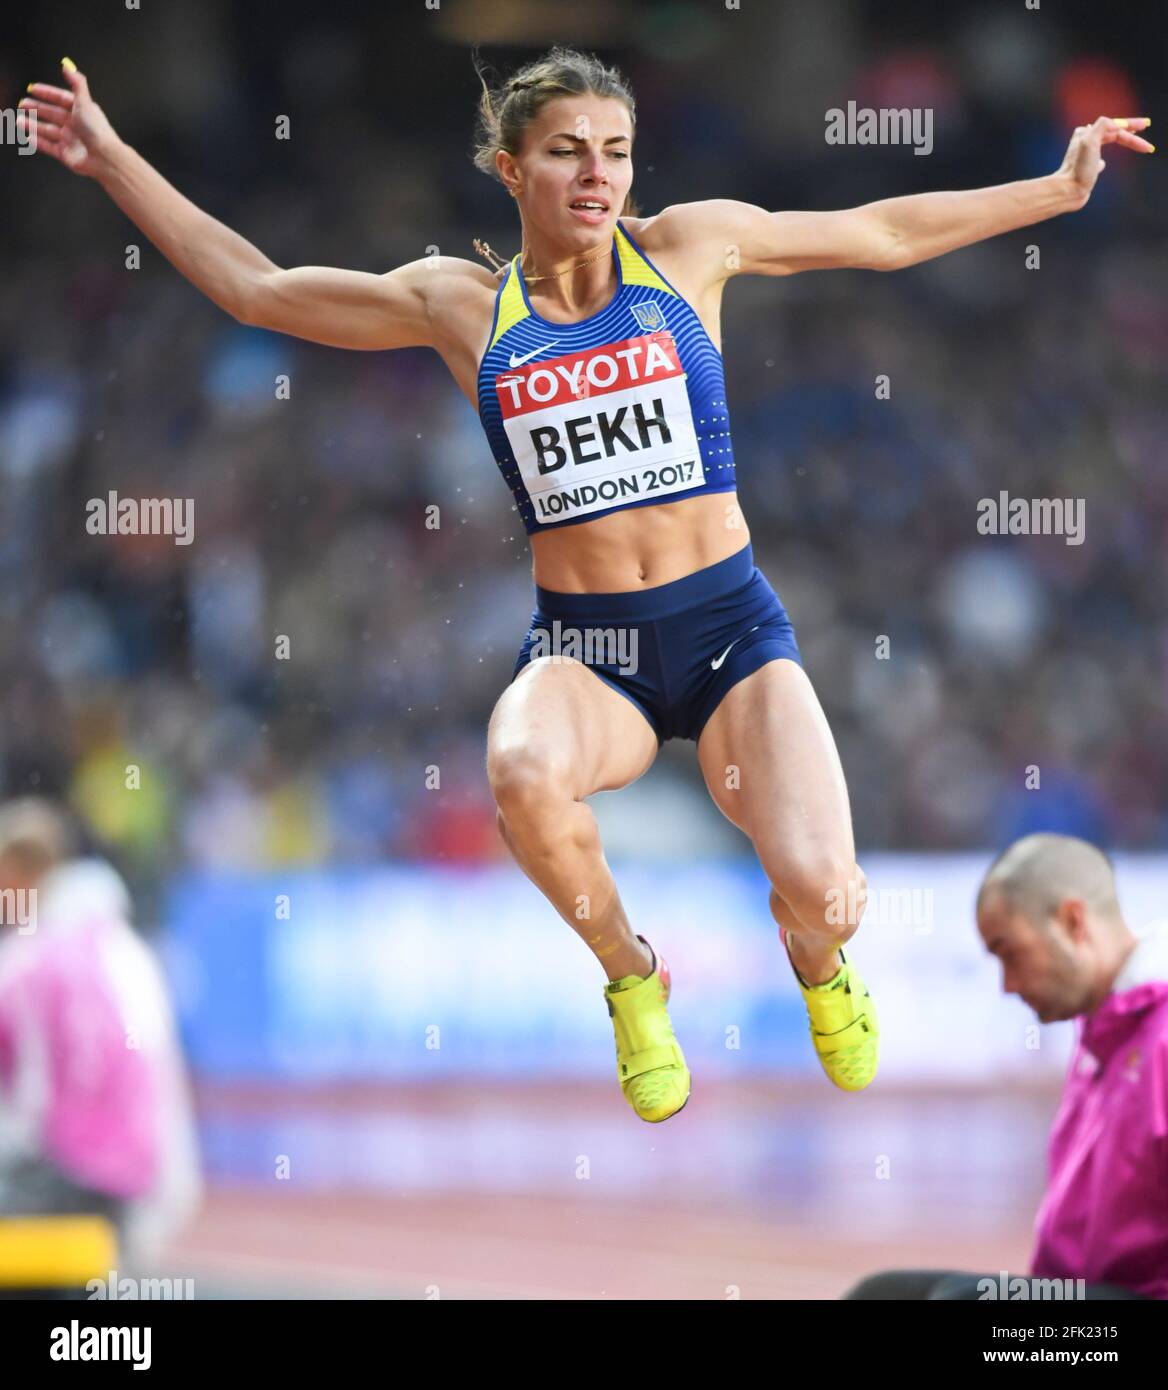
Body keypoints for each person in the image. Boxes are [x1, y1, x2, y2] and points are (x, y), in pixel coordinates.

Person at [18, 47, 1152, 1122]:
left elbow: (885, 229)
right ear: (512, 168)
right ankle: (631, 976)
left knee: (827, 894)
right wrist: (112, 156)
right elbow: (258, 290)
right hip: (589, 649)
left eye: (614, 148)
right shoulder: (462, 306)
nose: (598, 172)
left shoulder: (692, 247)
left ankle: (816, 960)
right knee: (517, 770)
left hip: (728, 635)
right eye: (567, 149)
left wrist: (1051, 192)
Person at [846, 834, 1166, 1300]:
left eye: (1010, 953)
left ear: (1073, 921)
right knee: (883, 1296)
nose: (1007, 984)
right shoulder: (1102, 1036)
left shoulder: (1158, 1037)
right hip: (1087, 1295)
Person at [0, 799, 202, 1278]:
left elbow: (22, 1099)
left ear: (24, 869)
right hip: (149, 1179)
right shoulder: (125, 948)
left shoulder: (29, 958)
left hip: (71, 1178)